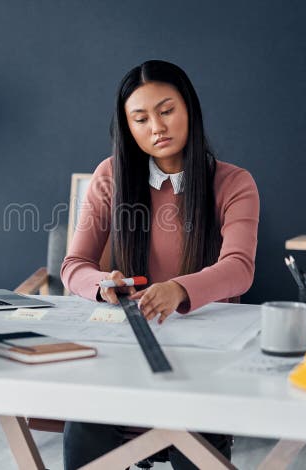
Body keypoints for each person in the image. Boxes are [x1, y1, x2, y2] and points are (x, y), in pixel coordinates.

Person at [60, 60, 260, 469]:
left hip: (207, 358)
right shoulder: (110, 176)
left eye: (166, 111)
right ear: (128, 127)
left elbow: (240, 267)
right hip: (125, 350)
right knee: (85, 427)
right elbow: (74, 265)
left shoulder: (234, 183)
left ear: (189, 109)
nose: (157, 126)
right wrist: (102, 283)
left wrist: (179, 290)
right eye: (141, 117)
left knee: (196, 438)